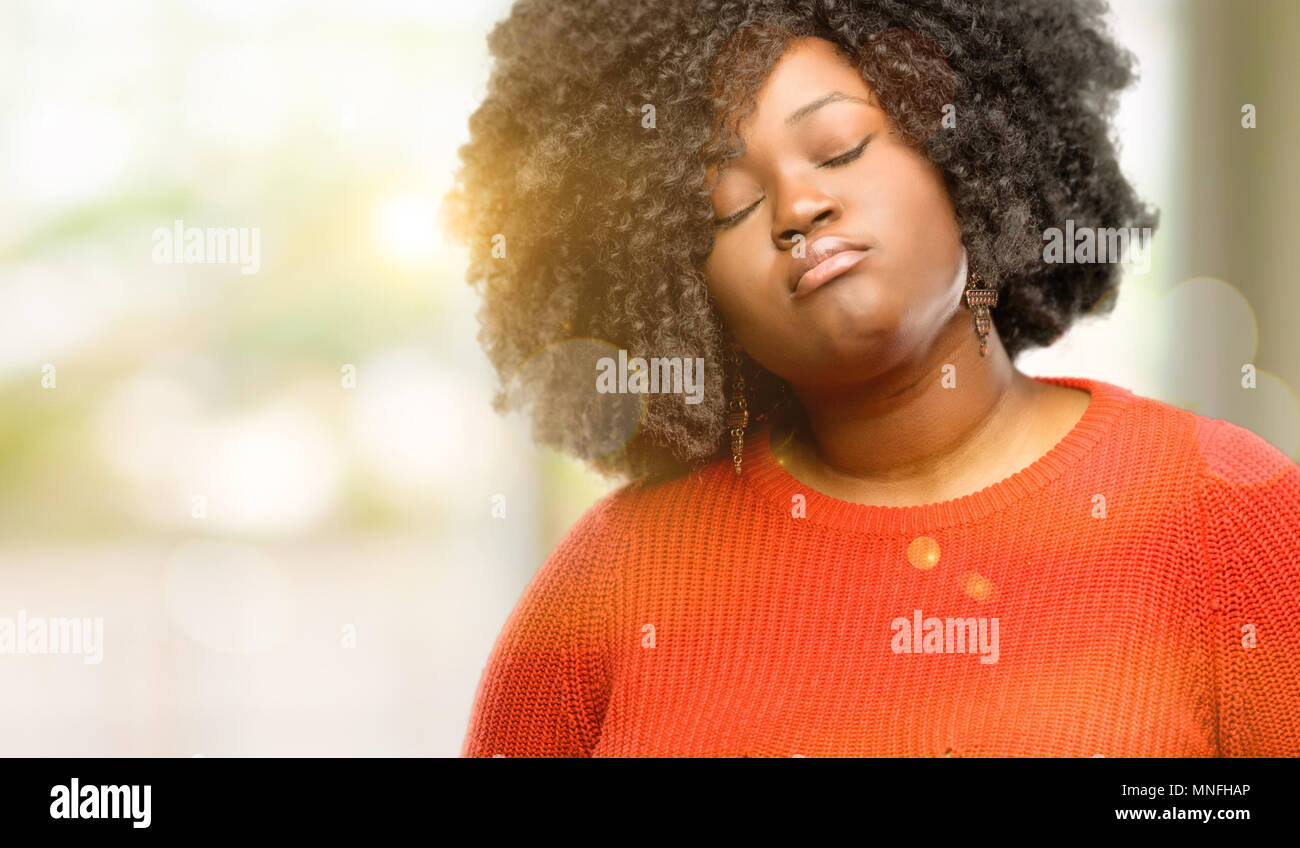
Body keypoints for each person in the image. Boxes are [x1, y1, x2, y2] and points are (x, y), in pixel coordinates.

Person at [443, 0, 1300, 757]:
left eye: (840, 147)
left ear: (970, 151)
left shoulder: (1229, 519)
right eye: (730, 206)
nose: (798, 208)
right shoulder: (610, 583)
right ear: (675, 290)